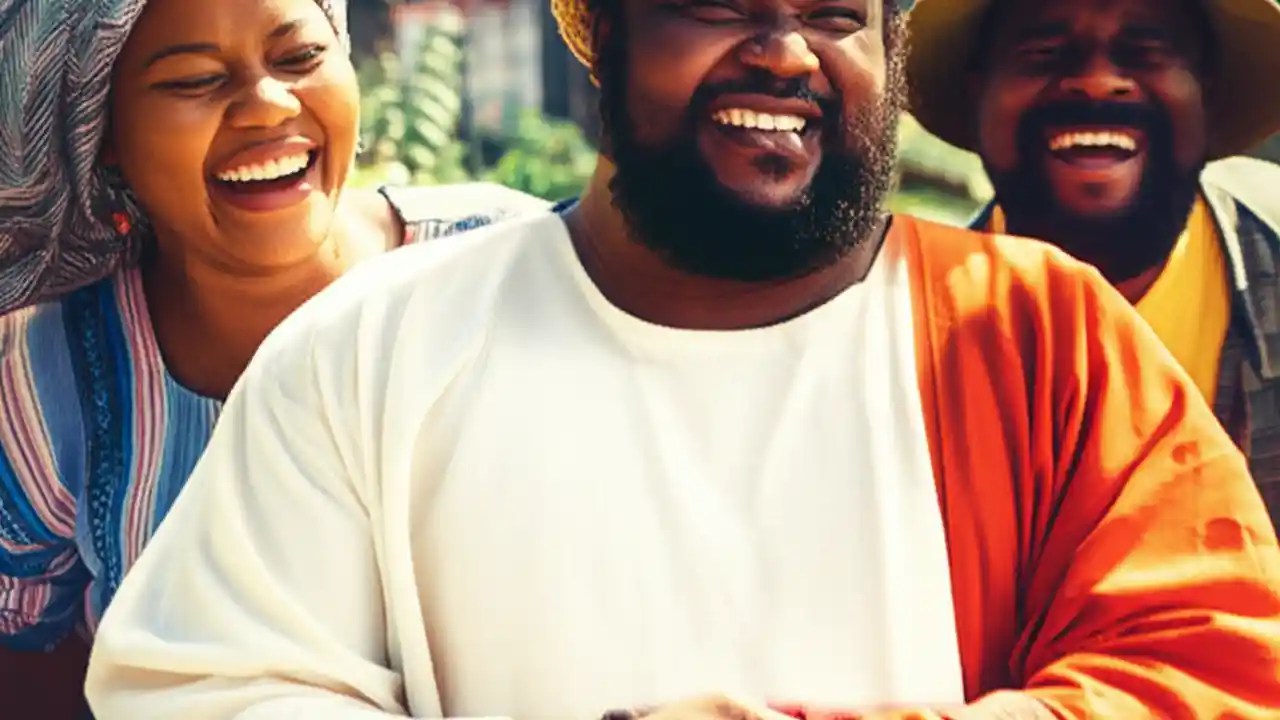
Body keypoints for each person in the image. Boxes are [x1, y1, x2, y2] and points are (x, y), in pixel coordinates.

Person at [86, 0, 1280, 717]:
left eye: (831, 12)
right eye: (716, 2)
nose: (783, 51)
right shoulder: (364, 353)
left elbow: (1219, 674)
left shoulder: (1038, 335)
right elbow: (207, 687)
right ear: (597, 29)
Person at [0, 0, 545, 715]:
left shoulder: (514, 274)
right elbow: (29, 659)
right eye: (194, 79)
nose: (266, 105)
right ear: (99, 131)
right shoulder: (49, 372)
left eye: (300, 58)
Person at [906, 0, 1280, 525]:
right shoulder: (904, 346)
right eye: (1044, 53)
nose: (1097, 81)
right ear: (978, 92)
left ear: (1209, 93)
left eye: (1146, 51)